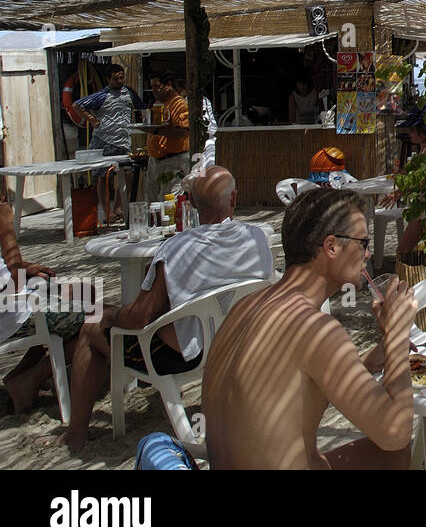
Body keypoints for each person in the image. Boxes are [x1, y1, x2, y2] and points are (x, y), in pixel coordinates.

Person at [203, 189, 418, 469]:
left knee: (392, 458)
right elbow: (396, 433)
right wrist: (399, 336)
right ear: (331, 247)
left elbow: (291, 394)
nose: (369, 253)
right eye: (363, 242)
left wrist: (368, 362)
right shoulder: (314, 328)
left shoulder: (246, 306)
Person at [61, 167, 273, 449]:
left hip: (187, 356)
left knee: (92, 324)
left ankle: (75, 433)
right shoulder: (256, 238)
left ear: (192, 204)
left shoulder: (176, 248)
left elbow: (139, 317)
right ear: (233, 199)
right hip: (242, 342)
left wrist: (110, 314)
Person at [1, 195, 77, 417]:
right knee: (93, 316)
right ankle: (31, 379)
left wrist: (25, 267)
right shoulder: (1, 213)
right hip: (11, 315)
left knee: (76, 291)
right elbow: (15, 282)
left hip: (9, 306)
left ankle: (21, 373)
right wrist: (19, 268)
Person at [73, 63, 145, 223]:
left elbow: (141, 107)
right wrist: (91, 119)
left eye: (121, 77)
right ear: (108, 79)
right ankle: (107, 213)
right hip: (103, 141)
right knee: (103, 178)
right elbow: (77, 105)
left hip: (123, 141)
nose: (119, 81)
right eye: (115, 79)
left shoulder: (129, 93)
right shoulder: (101, 95)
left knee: (128, 174)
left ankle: (119, 207)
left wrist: (140, 122)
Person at [145, 71, 190, 202]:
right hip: (155, 161)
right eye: (152, 86)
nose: (153, 90)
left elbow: (183, 131)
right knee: (152, 201)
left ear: (168, 85)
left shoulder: (179, 104)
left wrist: (156, 131)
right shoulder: (159, 103)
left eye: (156, 86)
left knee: (169, 202)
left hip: (173, 161)